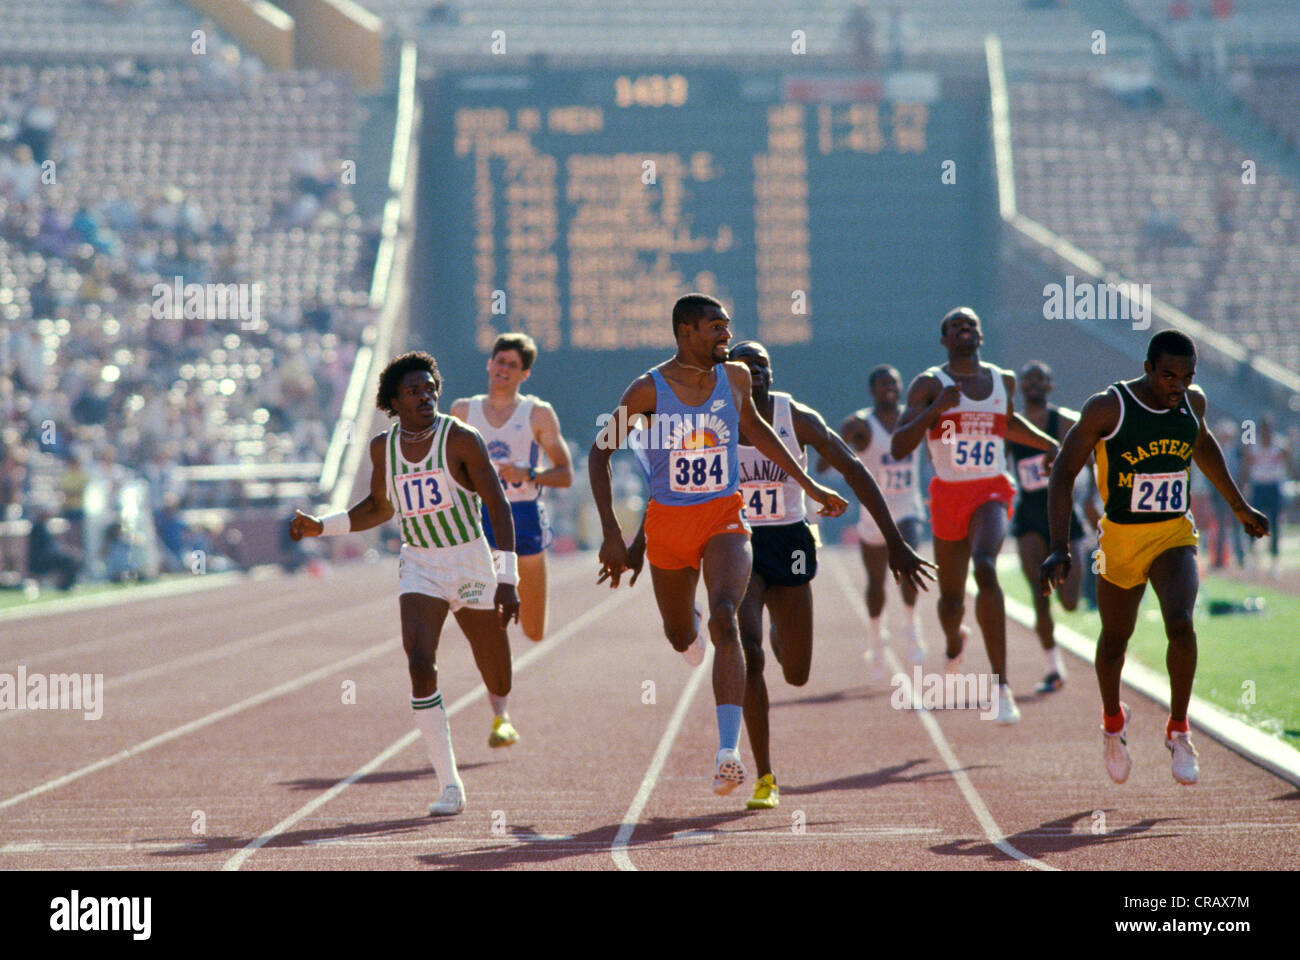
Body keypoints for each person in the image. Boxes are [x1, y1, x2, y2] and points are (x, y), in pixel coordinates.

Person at [589, 294, 847, 797]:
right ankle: (688, 640)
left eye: (728, 326)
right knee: (679, 632)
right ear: (686, 332)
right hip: (668, 523)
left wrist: (811, 489)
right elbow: (600, 456)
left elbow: (761, 432)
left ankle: (728, 753)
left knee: (726, 616)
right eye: (715, 328)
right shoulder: (648, 390)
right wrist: (612, 535)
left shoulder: (735, 379)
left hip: (724, 517)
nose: (726, 337)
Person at [290, 351, 521, 816]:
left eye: (430, 388)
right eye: (414, 391)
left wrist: (507, 577)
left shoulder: (461, 440)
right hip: (420, 565)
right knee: (419, 661)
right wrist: (322, 526)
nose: (426, 396)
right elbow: (378, 508)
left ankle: (500, 707)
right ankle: (449, 785)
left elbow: (498, 505)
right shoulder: (383, 448)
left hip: (470, 562)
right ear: (394, 400)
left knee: (496, 672)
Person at [1041, 331, 1269, 785]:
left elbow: (1201, 445)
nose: (1176, 385)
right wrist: (1059, 546)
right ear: (1147, 368)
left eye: (1186, 377)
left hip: (1172, 533)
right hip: (1122, 539)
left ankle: (1179, 730)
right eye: (1168, 375)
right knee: (1114, 640)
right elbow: (1064, 471)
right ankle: (1112, 723)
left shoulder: (1192, 402)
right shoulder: (1108, 407)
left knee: (1181, 623)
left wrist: (1238, 505)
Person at [728, 341, 933, 809]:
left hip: (791, 542)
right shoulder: (713, 421)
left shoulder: (795, 417)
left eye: (762, 364)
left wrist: (896, 542)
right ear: (728, 374)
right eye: (744, 364)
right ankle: (765, 776)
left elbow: (855, 469)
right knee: (751, 655)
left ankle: (780, 625)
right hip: (737, 543)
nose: (754, 370)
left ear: (772, 374)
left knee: (797, 672)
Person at [891, 307, 1060, 724]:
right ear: (945, 339)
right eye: (956, 326)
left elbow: (1007, 423)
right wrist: (935, 411)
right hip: (948, 495)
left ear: (981, 336)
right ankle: (954, 643)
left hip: (991, 489)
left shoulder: (1002, 380)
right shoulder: (930, 383)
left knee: (985, 565)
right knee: (950, 603)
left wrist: (1046, 443)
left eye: (972, 324)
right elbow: (899, 445)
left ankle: (1001, 688)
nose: (965, 329)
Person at [450, 332, 573, 657]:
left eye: (513, 364)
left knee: (533, 630)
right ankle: (497, 692)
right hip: (479, 518)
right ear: (490, 364)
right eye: (500, 361)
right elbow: (447, 466)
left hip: (523, 518)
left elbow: (565, 474)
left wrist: (530, 473)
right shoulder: (463, 412)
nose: (504, 369)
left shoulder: (537, 414)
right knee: (486, 623)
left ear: (524, 374)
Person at [831, 364, 928, 675]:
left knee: (910, 568)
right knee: (876, 583)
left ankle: (912, 627)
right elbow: (823, 463)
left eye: (894, 383)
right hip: (874, 514)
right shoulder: (861, 424)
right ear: (872, 390)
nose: (889, 388)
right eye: (883, 383)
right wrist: (844, 441)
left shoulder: (912, 418)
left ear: (901, 388)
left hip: (908, 507)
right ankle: (876, 640)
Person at [1005, 362, 1091, 694]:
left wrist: (1091, 497)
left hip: (1067, 518)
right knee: (1039, 598)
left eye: (1040, 379)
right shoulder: (1014, 428)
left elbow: (1096, 456)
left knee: (1069, 602)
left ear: (1050, 385)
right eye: (1027, 379)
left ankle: (1059, 655)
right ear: (1021, 388)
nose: (1033, 384)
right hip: (1029, 518)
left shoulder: (1065, 421)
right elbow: (999, 461)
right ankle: (1053, 667)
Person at [1241, 416, 1293, 577]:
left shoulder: (1280, 446)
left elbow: (1290, 466)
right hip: (1258, 487)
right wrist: (1242, 486)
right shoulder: (1253, 446)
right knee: (1253, 521)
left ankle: (1274, 560)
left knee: (1275, 525)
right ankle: (1251, 556)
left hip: (1273, 487)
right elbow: (1246, 467)